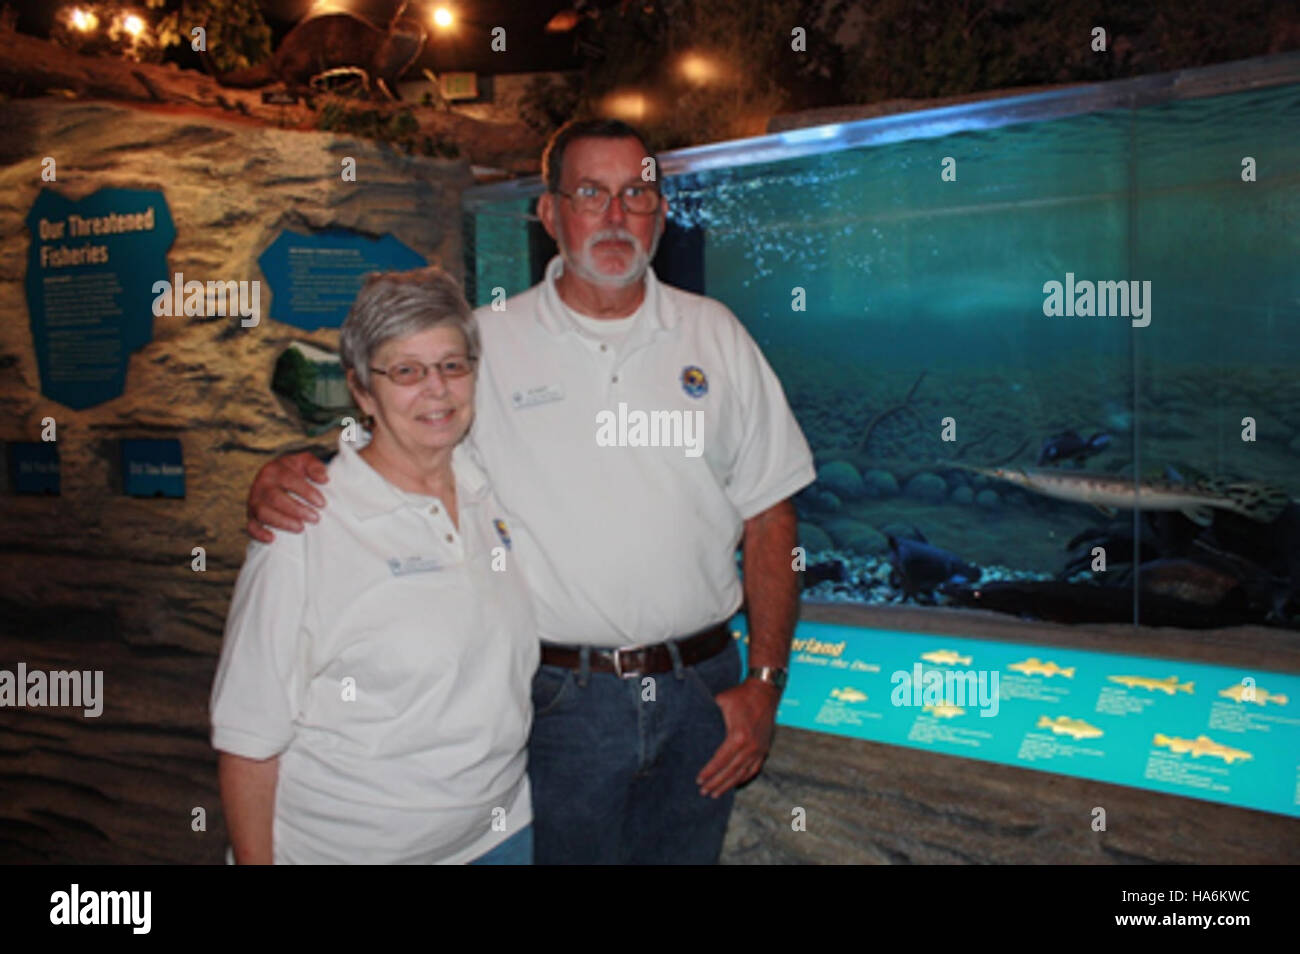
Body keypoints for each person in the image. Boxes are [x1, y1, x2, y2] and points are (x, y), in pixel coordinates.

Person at [246, 118, 815, 864]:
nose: (616, 217)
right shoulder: (488, 342)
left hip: (701, 693)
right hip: (557, 702)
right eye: (590, 193)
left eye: (635, 194)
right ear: (550, 215)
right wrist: (297, 467)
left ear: (661, 212)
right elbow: (409, 433)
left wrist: (766, 682)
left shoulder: (718, 336)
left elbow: (771, 513)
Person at [213, 267, 539, 864]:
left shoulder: (490, 488)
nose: (436, 390)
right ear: (362, 389)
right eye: (406, 371)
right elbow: (247, 742)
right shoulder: (304, 528)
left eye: (451, 365)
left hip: (501, 836)